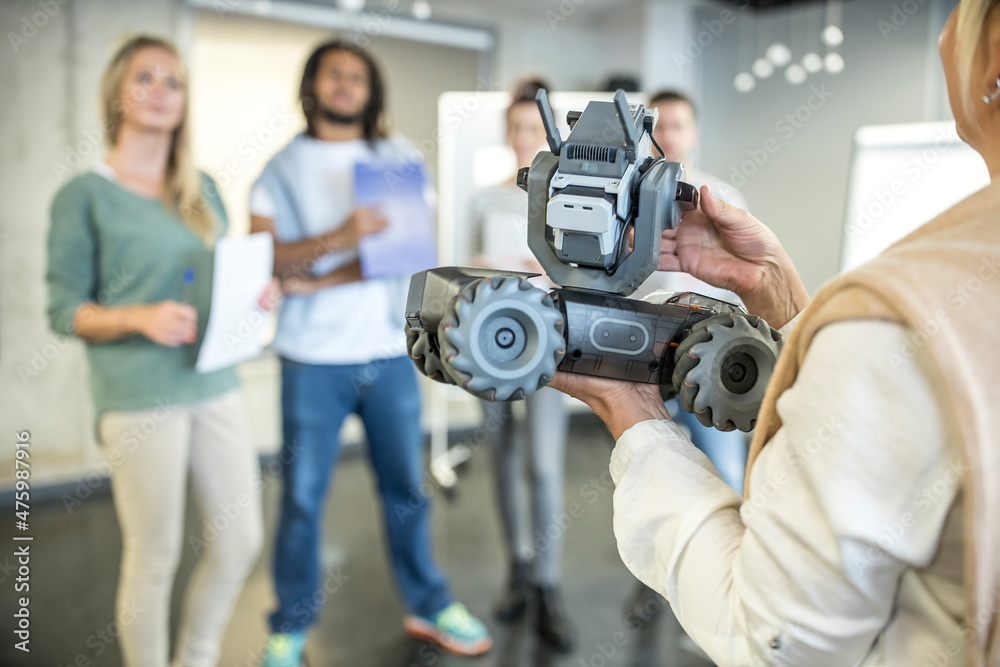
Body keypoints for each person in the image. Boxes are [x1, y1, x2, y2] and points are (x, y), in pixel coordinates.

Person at [549, 1, 1000, 664]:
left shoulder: (905, 313)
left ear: (990, 58)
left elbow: (777, 642)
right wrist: (786, 300)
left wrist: (634, 415)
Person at [250, 40, 491, 665]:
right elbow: (263, 261)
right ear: (313, 85)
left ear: (370, 89)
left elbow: (410, 256)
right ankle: (290, 625)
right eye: (334, 74)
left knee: (406, 488)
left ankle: (429, 602)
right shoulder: (280, 168)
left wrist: (323, 274)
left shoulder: (397, 158)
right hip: (311, 359)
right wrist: (344, 236)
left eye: (357, 76)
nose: (345, 84)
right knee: (303, 497)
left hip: (388, 354)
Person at [46, 36, 264, 667]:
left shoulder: (202, 189)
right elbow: (65, 310)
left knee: (239, 542)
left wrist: (255, 296)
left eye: (174, 81)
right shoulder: (85, 195)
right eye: (147, 78)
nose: (162, 91)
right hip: (139, 396)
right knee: (156, 553)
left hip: (214, 382)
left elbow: (218, 278)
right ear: (118, 91)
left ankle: (194, 657)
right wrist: (136, 316)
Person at [466, 78, 574, 652]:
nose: (523, 138)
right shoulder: (484, 198)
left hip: (548, 349)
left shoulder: (569, 199)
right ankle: (519, 568)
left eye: (533, 128)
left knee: (545, 469)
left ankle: (550, 587)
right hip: (489, 347)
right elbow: (464, 278)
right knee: (502, 461)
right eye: (515, 129)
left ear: (549, 133)